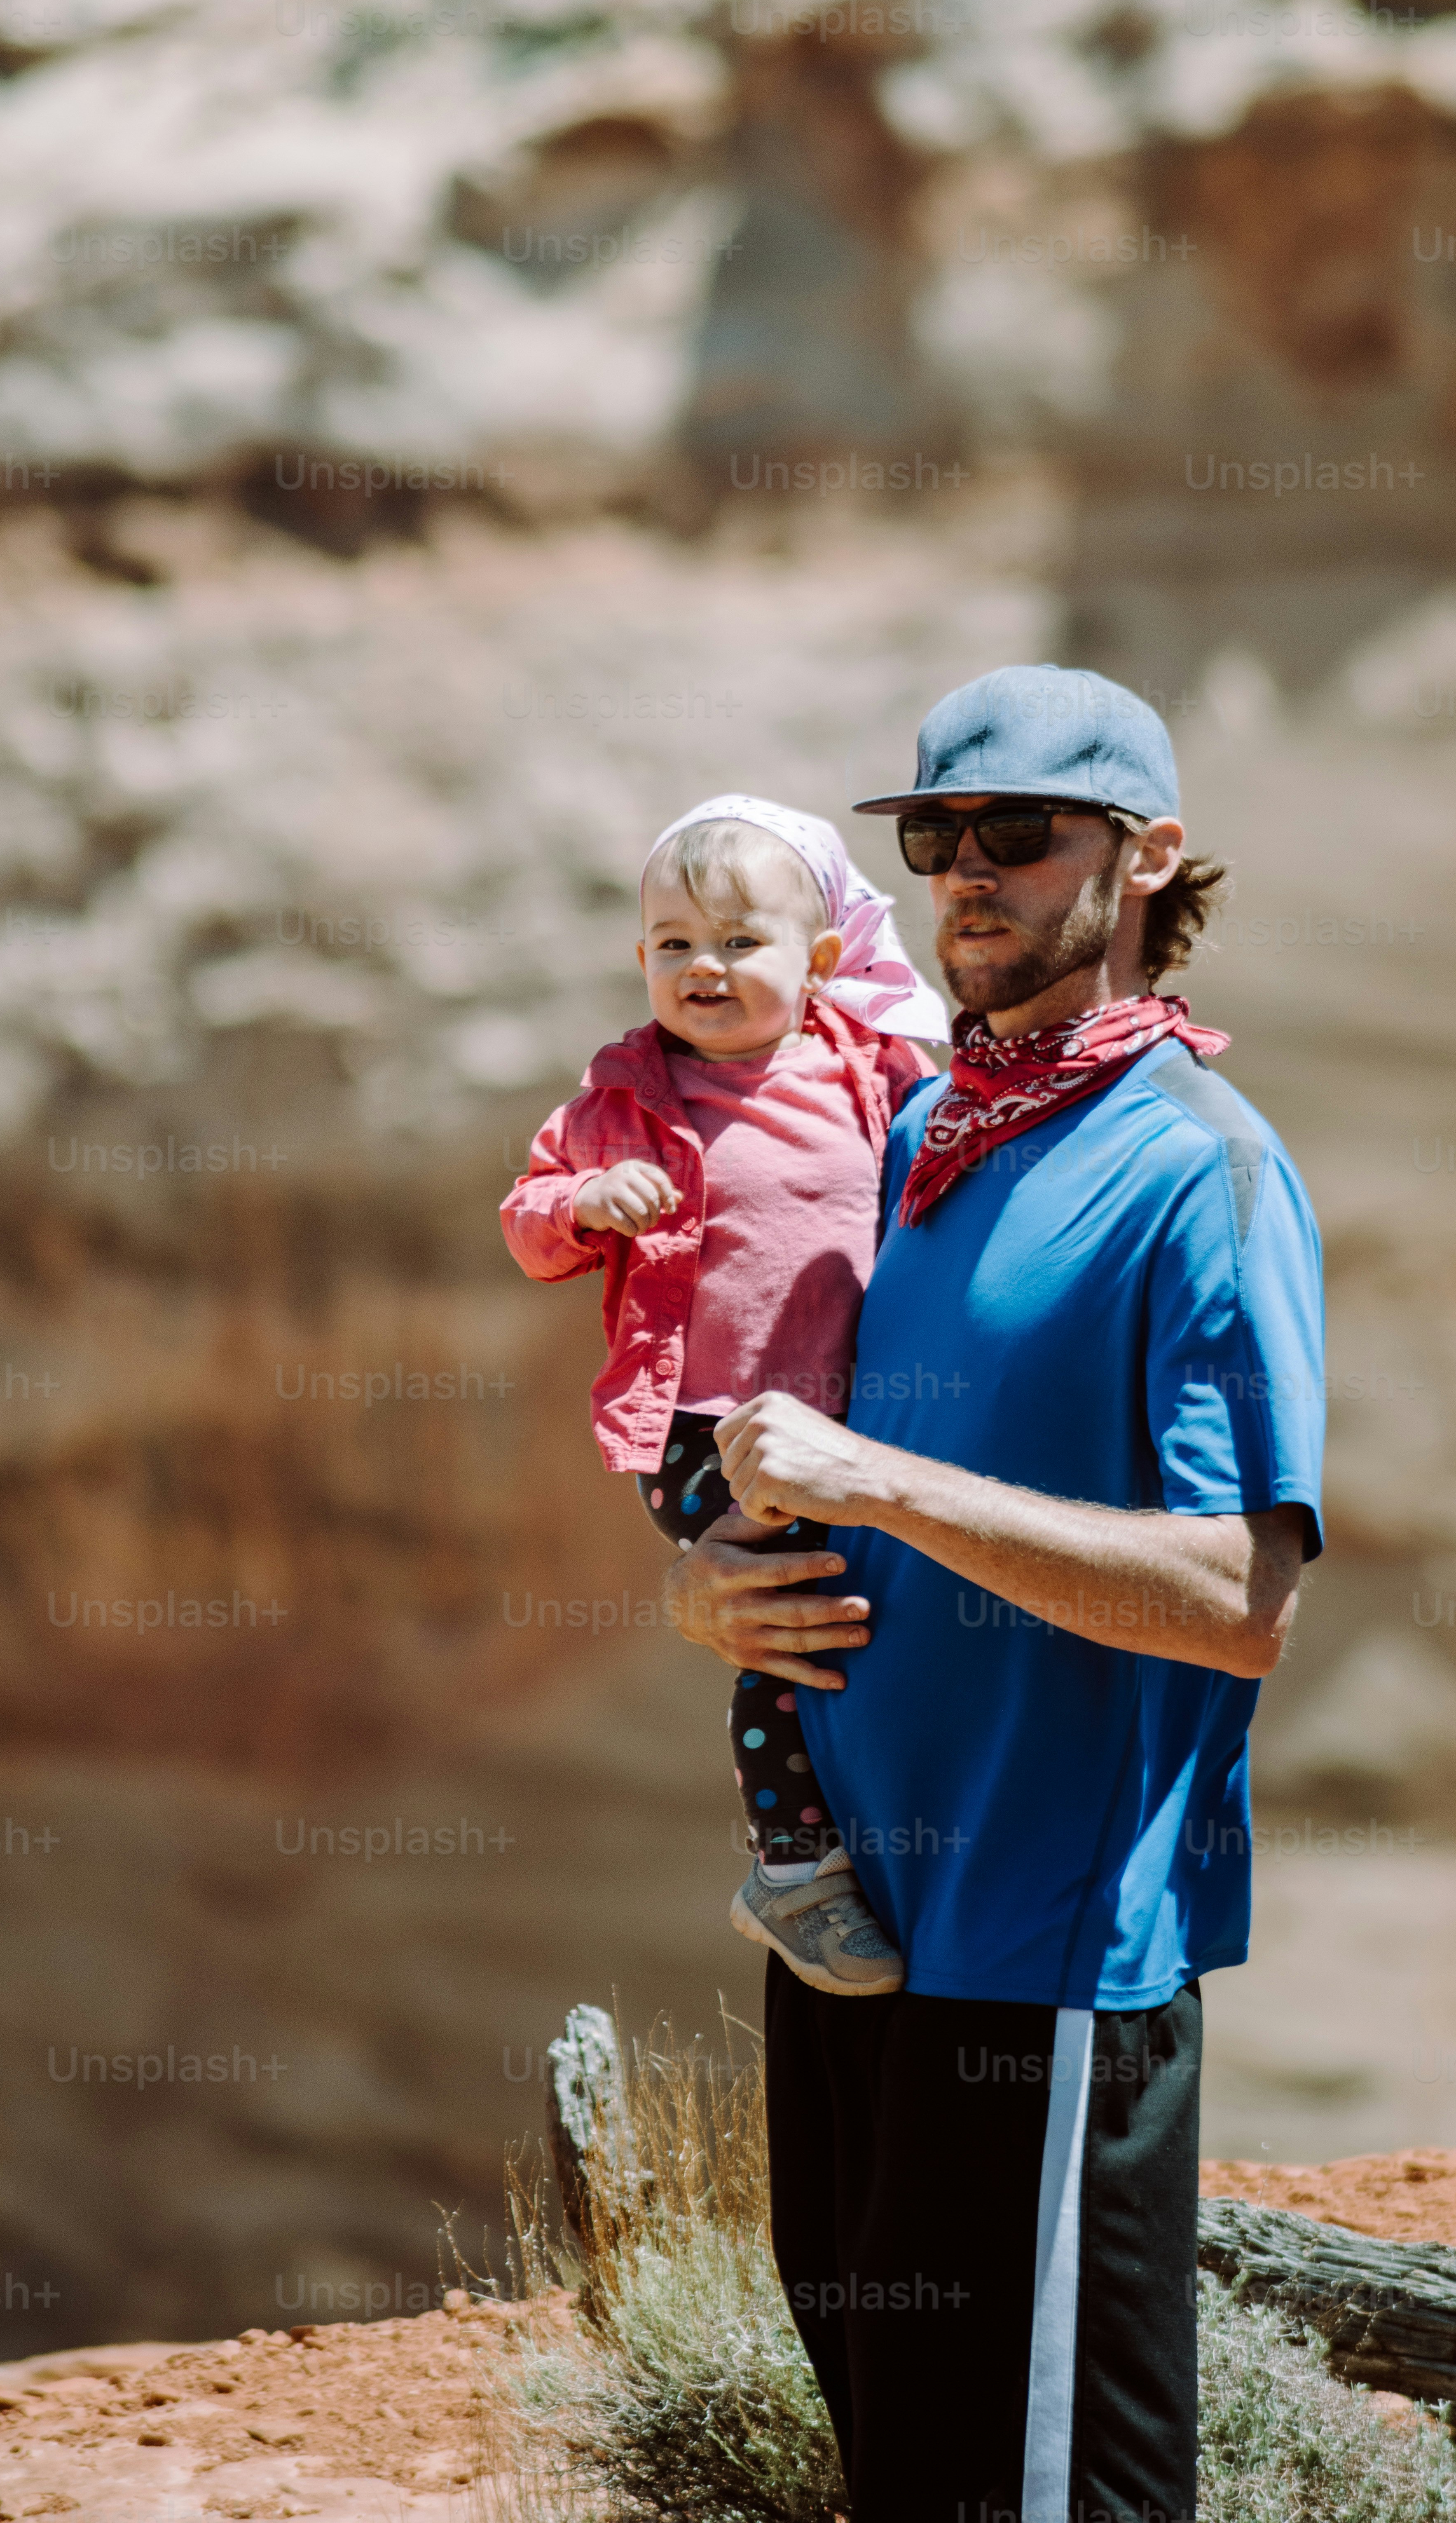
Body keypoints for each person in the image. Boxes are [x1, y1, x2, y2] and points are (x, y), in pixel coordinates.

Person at [664, 668, 1325, 2523]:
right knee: (906, 2478)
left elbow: (1237, 1599)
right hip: (849, 1938)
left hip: (1041, 1962)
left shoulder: (1202, 1169)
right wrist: (717, 1590)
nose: (972, 875)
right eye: (938, 837)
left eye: (1022, 836)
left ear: (1147, 859)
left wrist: (880, 1479)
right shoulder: (908, 1137)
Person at [499, 793, 947, 1993]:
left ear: (821, 962)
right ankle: (791, 1864)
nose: (705, 967)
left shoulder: (871, 1070)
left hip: (857, 1418)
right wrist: (587, 1206)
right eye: (674, 944)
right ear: (640, 959)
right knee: (775, 1600)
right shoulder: (624, 1104)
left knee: (867, 1602)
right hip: (704, 1427)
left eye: (741, 941)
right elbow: (530, 1229)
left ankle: (877, 1829)